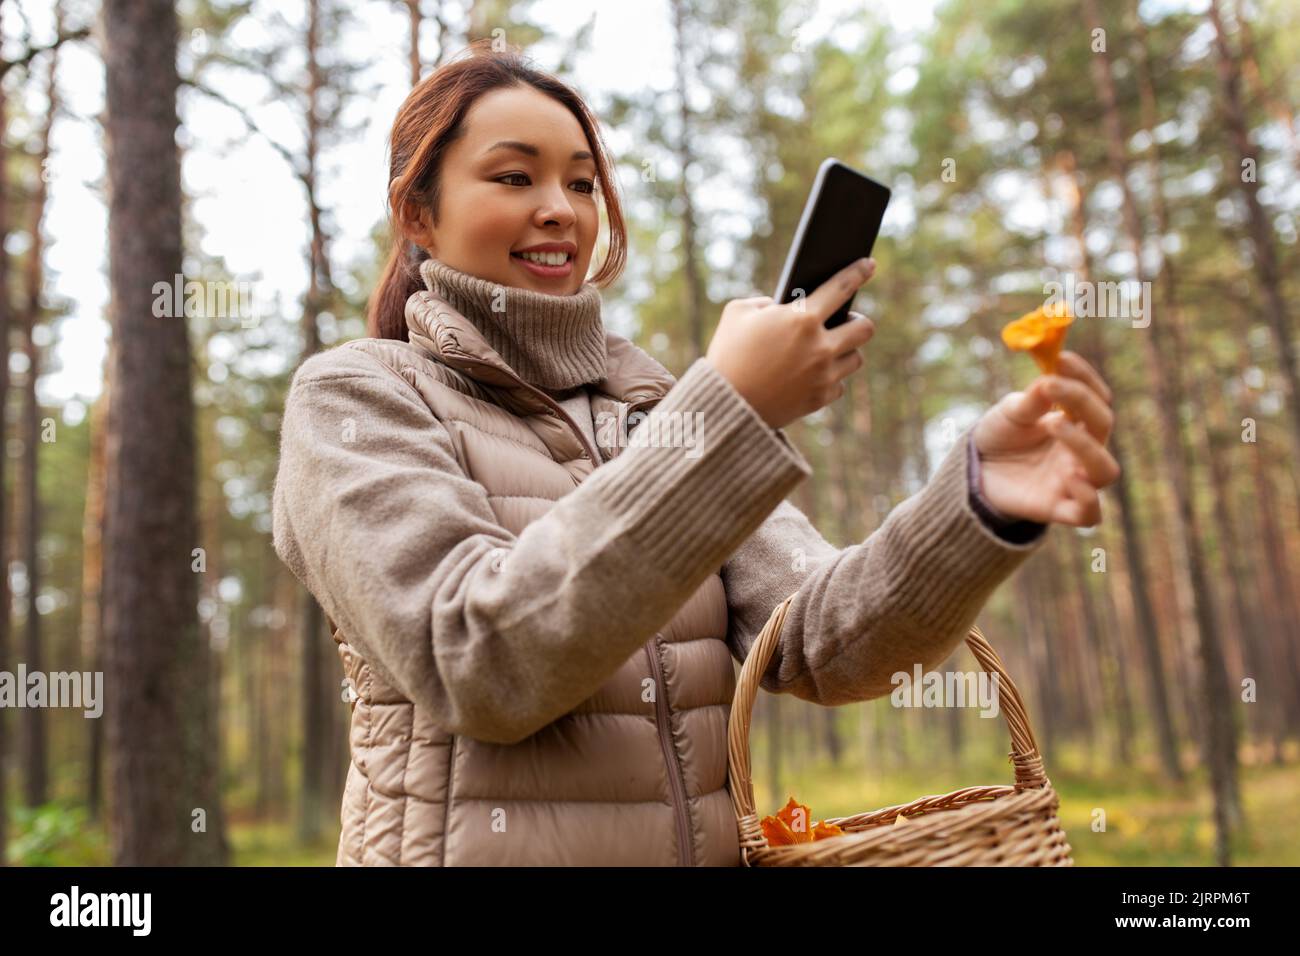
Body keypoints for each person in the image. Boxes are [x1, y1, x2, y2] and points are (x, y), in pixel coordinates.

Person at [271, 40, 1119, 866]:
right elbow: (478, 664)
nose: (561, 208)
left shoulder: (656, 412)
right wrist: (731, 411)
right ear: (417, 213)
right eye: (513, 175)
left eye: (581, 180)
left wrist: (975, 503)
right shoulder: (356, 399)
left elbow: (824, 642)